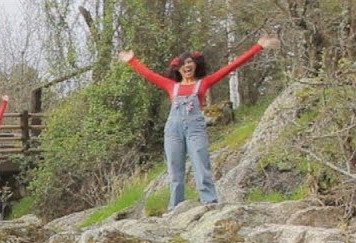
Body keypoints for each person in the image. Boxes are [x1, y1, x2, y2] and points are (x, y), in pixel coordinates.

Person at [120, 36, 280, 209]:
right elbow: (149, 74)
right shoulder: (171, 85)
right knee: (175, 170)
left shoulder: (204, 83)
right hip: (173, 130)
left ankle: (209, 202)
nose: (186, 66)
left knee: (201, 164)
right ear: (178, 69)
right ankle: (175, 207)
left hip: (196, 129)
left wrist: (258, 47)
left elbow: (231, 67)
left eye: (189, 62)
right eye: (182, 64)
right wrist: (132, 60)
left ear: (195, 65)